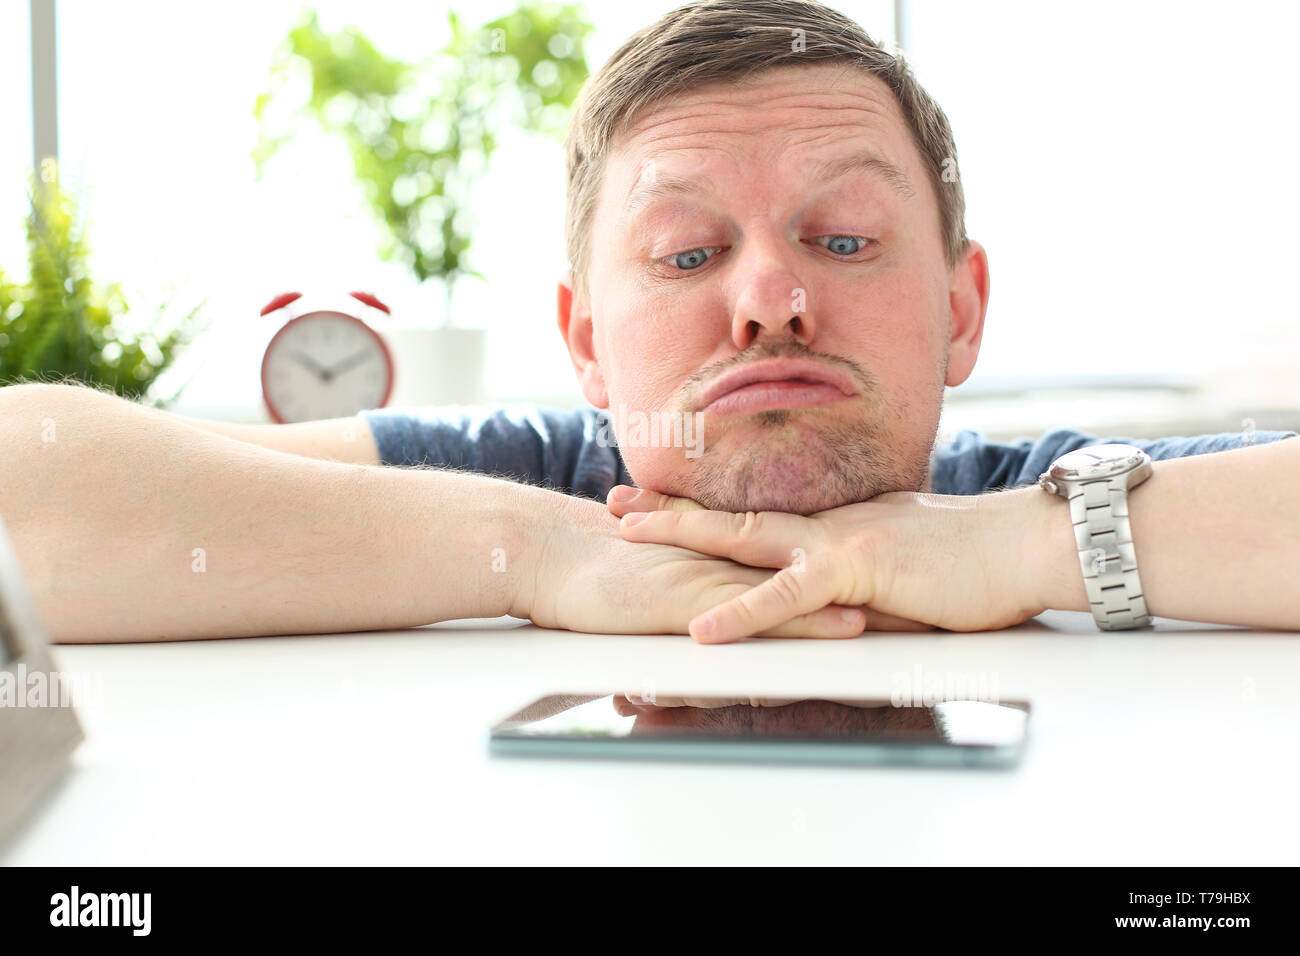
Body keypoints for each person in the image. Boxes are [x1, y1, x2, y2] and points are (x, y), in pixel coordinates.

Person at [1, 0, 1295, 645]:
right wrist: (539, 553)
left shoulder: (1028, 498)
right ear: (585, 349)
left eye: (844, 240)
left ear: (962, 313)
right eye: (686, 252)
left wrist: (1030, 551)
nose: (771, 301)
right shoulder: (538, 476)